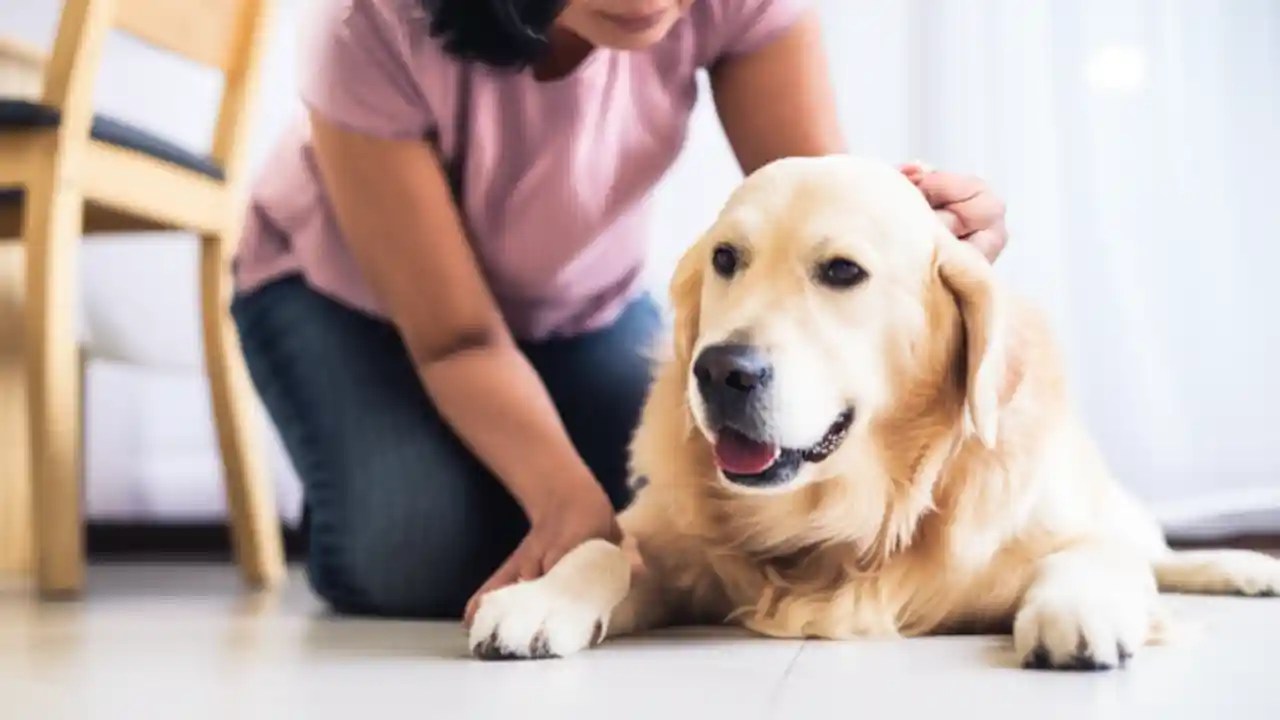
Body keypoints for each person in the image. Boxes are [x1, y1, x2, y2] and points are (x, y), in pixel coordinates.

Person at [230, 0, 1010, 620]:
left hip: (579, 308)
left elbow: (817, 213)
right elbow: (458, 339)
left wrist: (933, 240)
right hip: (355, 305)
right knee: (414, 558)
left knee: (675, 512)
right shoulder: (363, 20)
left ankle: (498, 488)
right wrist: (561, 498)